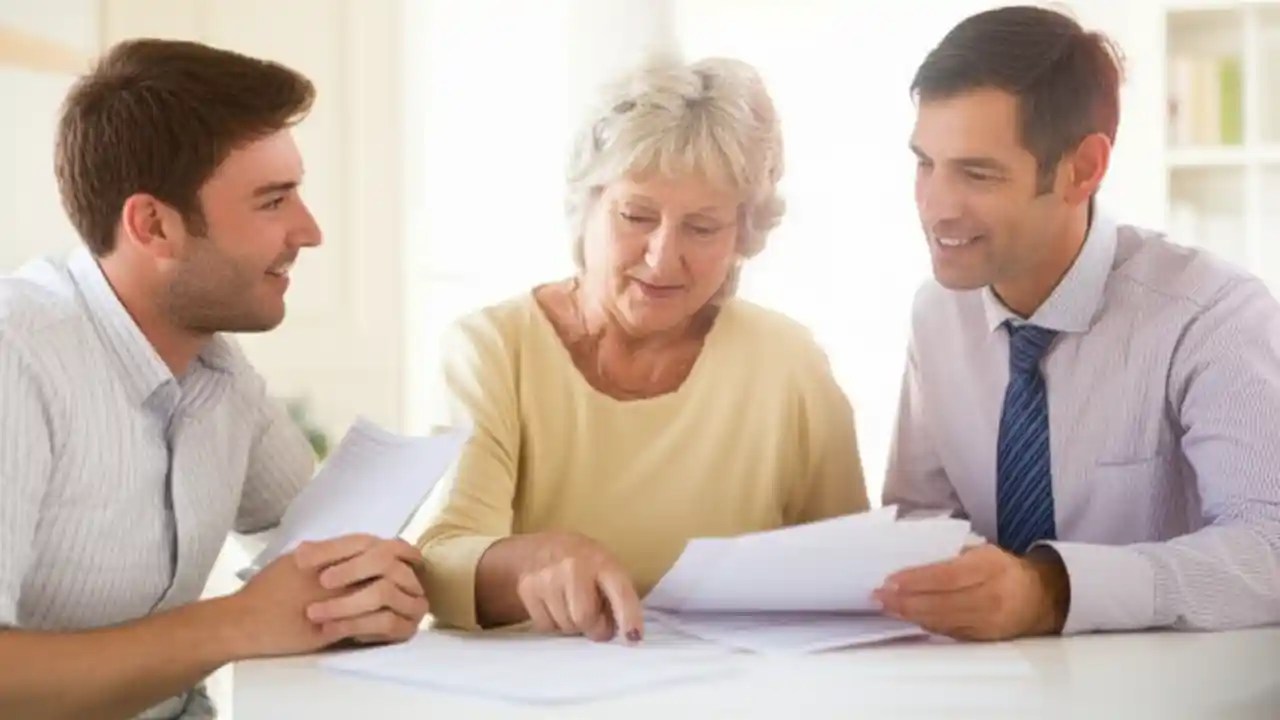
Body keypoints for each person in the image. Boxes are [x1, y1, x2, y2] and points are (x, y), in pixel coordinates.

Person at [0, 40, 430, 719]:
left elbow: (317, 554)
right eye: (272, 201)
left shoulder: (219, 372)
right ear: (154, 225)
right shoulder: (15, 355)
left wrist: (370, 589)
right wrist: (236, 623)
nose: (310, 231)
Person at [416, 58, 869, 641]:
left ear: (742, 235)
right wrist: (536, 560)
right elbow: (443, 561)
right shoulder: (494, 348)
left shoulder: (788, 362)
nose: (661, 257)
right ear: (586, 208)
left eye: (702, 228)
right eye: (636, 216)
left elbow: (853, 568)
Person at [876, 5, 1280, 641]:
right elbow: (921, 517)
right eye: (926, 163)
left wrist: (1052, 591)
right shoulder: (937, 313)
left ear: (1083, 169)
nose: (936, 208)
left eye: (977, 174)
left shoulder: (1212, 316)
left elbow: (1269, 550)